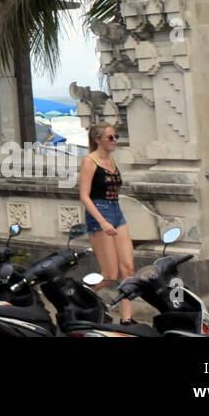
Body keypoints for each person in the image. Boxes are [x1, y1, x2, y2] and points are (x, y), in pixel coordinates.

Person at [78, 124, 134, 323]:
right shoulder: (89, 161)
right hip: (99, 212)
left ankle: (127, 319)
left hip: (116, 210)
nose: (115, 140)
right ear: (98, 140)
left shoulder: (110, 160)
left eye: (115, 136)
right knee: (110, 274)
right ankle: (81, 294)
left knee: (127, 269)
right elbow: (84, 196)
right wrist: (101, 221)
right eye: (110, 137)